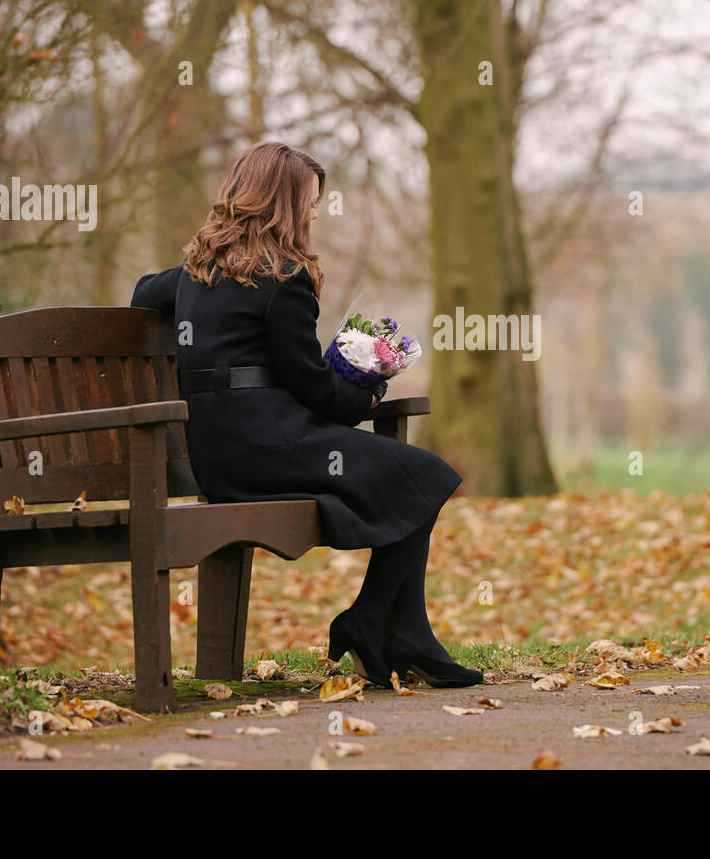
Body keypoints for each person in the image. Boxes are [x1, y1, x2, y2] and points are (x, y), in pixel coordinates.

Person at [130, 140, 482, 689]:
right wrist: (367, 393)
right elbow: (312, 388)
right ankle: (371, 619)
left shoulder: (191, 275)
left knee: (404, 476)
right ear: (284, 203)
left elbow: (139, 294)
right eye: (311, 202)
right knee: (429, 475)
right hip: (270, 448)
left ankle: (405, 630)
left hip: (218, 457)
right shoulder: (285, 278)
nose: (316, 212)